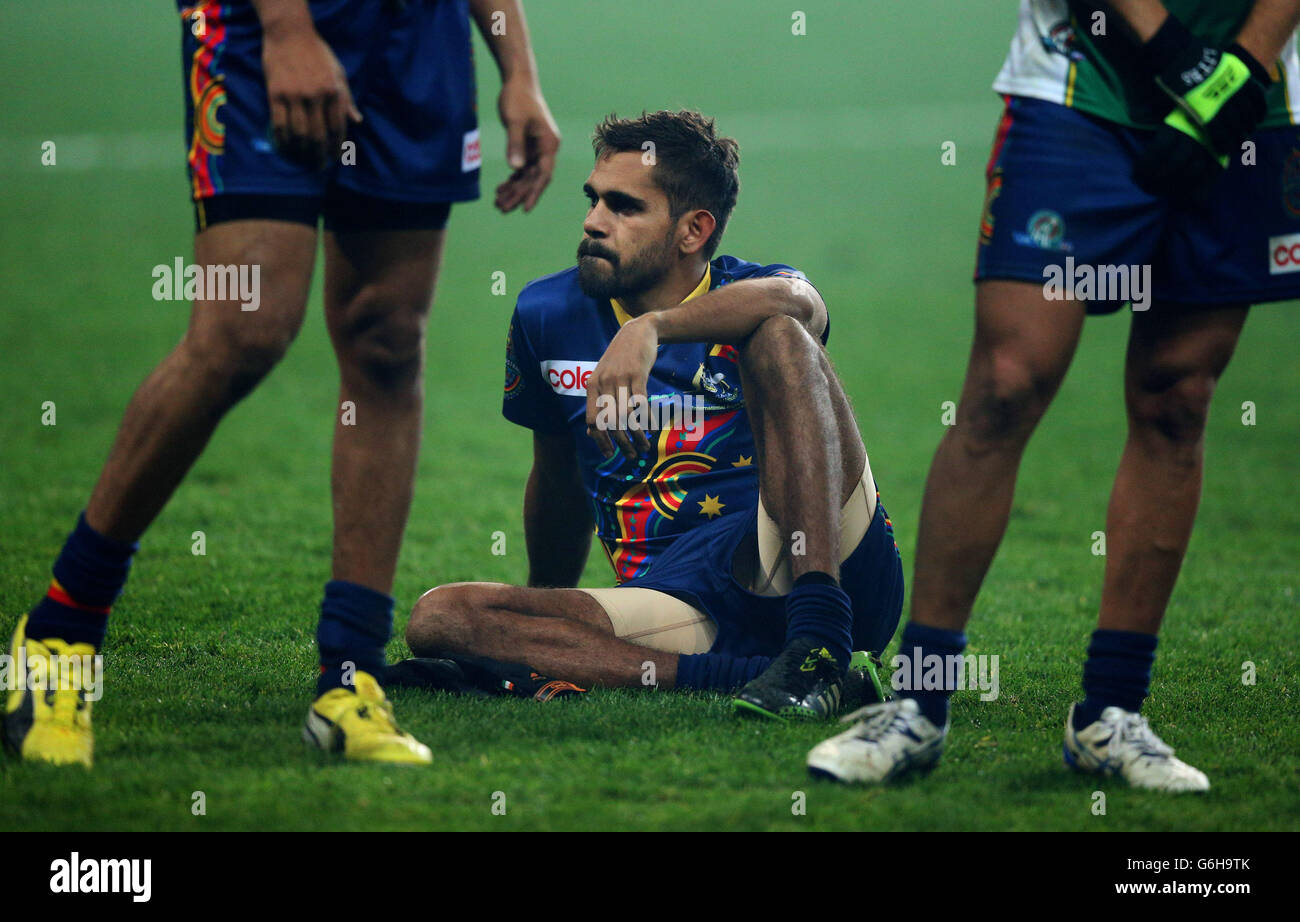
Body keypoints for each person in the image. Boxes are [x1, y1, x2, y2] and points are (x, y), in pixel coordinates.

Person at [3, 0, 560, 768]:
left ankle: (351, 676)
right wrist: (288, 29)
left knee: (389, 342)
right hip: (263, 29)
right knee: (243, 328)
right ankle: (62, 629)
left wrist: (519, 69)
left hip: (415, 41)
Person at [808, 0, 1300, 790]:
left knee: (1179, 400)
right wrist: (1174, 50)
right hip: (1081, 83)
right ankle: (920, 702)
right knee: (1006, 384)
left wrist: (1243, 68)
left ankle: (1111, 713)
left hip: (1247, 95)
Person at [399, 110, 903, 718]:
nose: (592, 222)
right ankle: (749, 676)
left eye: (623, 207)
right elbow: (558, 482)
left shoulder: (757, 289)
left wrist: (651, 328)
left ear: (693, 231)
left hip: (803, 560)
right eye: (592, 200)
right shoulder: (544, 314)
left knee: (780, 336)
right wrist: (530, 623)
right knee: (441, 618)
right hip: (674, 597)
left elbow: (800, 304)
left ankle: (820, 644)